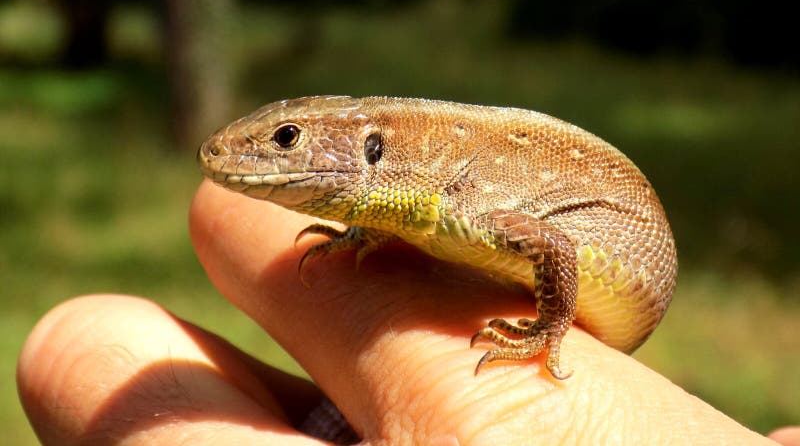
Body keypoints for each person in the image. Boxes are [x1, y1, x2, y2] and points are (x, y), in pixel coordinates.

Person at [17, 181, 798, 444]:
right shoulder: (415, 203)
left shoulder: (464, 196)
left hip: (617, 284)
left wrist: (546, 328)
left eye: (286, 142)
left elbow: (554, 248)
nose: (243, 159)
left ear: (371, 150)